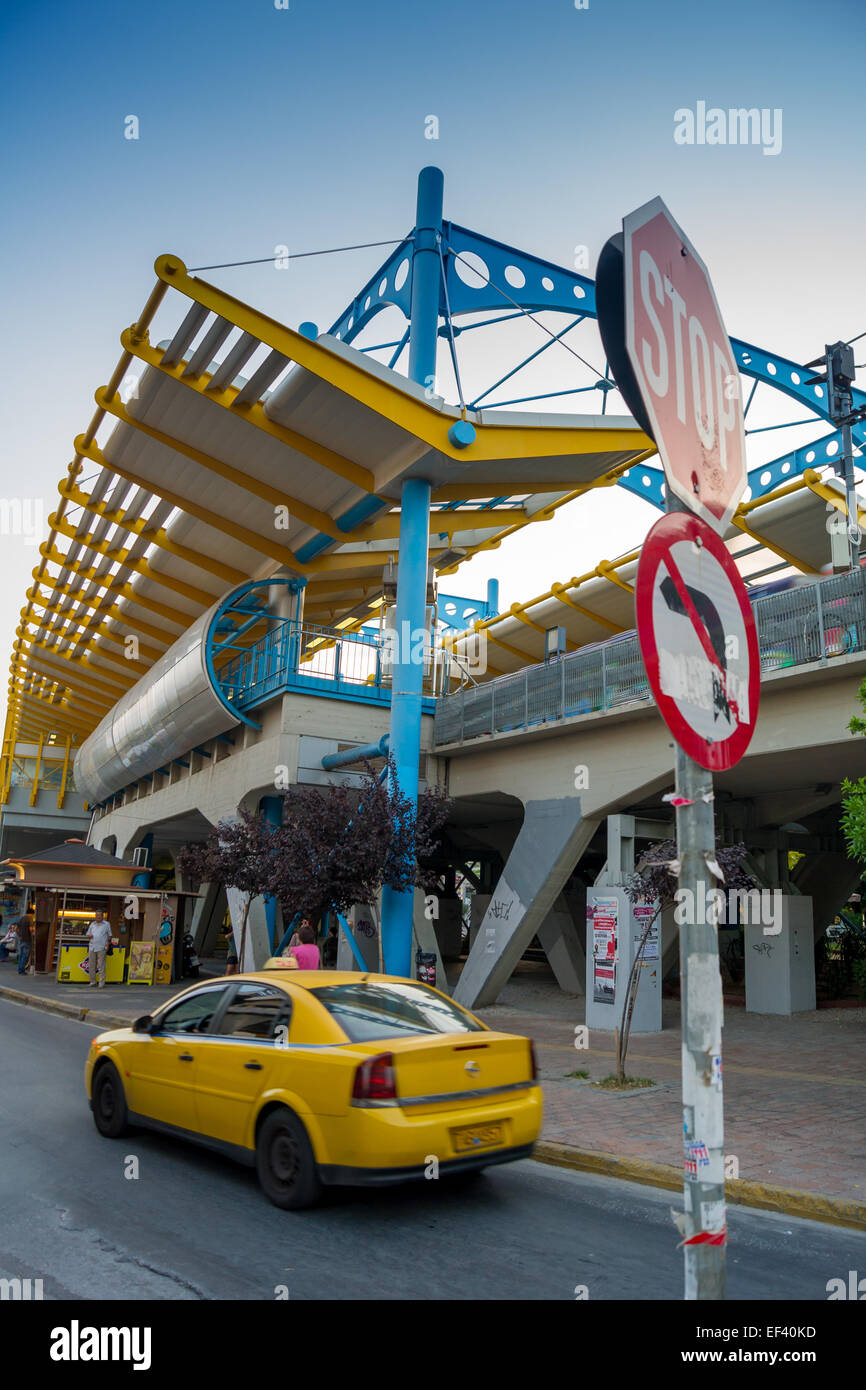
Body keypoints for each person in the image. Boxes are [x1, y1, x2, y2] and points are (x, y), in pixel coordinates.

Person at [86, 910, 112, 989]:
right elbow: (88, 934)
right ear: (95, 916)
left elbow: (110, 935)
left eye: (100, 915)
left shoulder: (106, 924)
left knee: (101, 965)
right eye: (97, 915)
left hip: (101, 947)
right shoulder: (92, 924)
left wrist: (108, 944)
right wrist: (89, 936)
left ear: (102, 916)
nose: (98, 917)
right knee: (91, 965)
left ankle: (101, 983)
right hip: (92, 947)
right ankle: (93, 981)